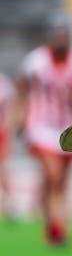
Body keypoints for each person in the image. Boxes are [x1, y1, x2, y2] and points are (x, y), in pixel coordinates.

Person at [15, 12, 72, 244]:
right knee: (53, 176)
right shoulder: (36, 61)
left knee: (60, 180)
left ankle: (50, 222)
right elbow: (22, 87)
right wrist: (20, 117)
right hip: (41, 127)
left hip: (68, 128)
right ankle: (59, 228)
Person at [0, 73, 14, 219]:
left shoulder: (3, 83)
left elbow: (9, 110)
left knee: (3, 169)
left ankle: (6, 205)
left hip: (1, 133)